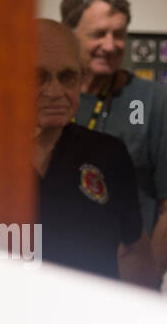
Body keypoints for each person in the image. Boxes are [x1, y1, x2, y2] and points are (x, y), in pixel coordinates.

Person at [61, 0, 167, 284]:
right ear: (69, 33)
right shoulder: (50, 99)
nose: (111, 45)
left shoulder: (150, 99)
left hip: (127, 282)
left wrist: (143, 279)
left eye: (120, 34)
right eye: (99, 34)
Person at [34, 19, 154, 284]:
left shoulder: (108, 154)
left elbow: (134, 249)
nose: (55, 92)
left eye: (67, 77)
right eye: (37, 77)